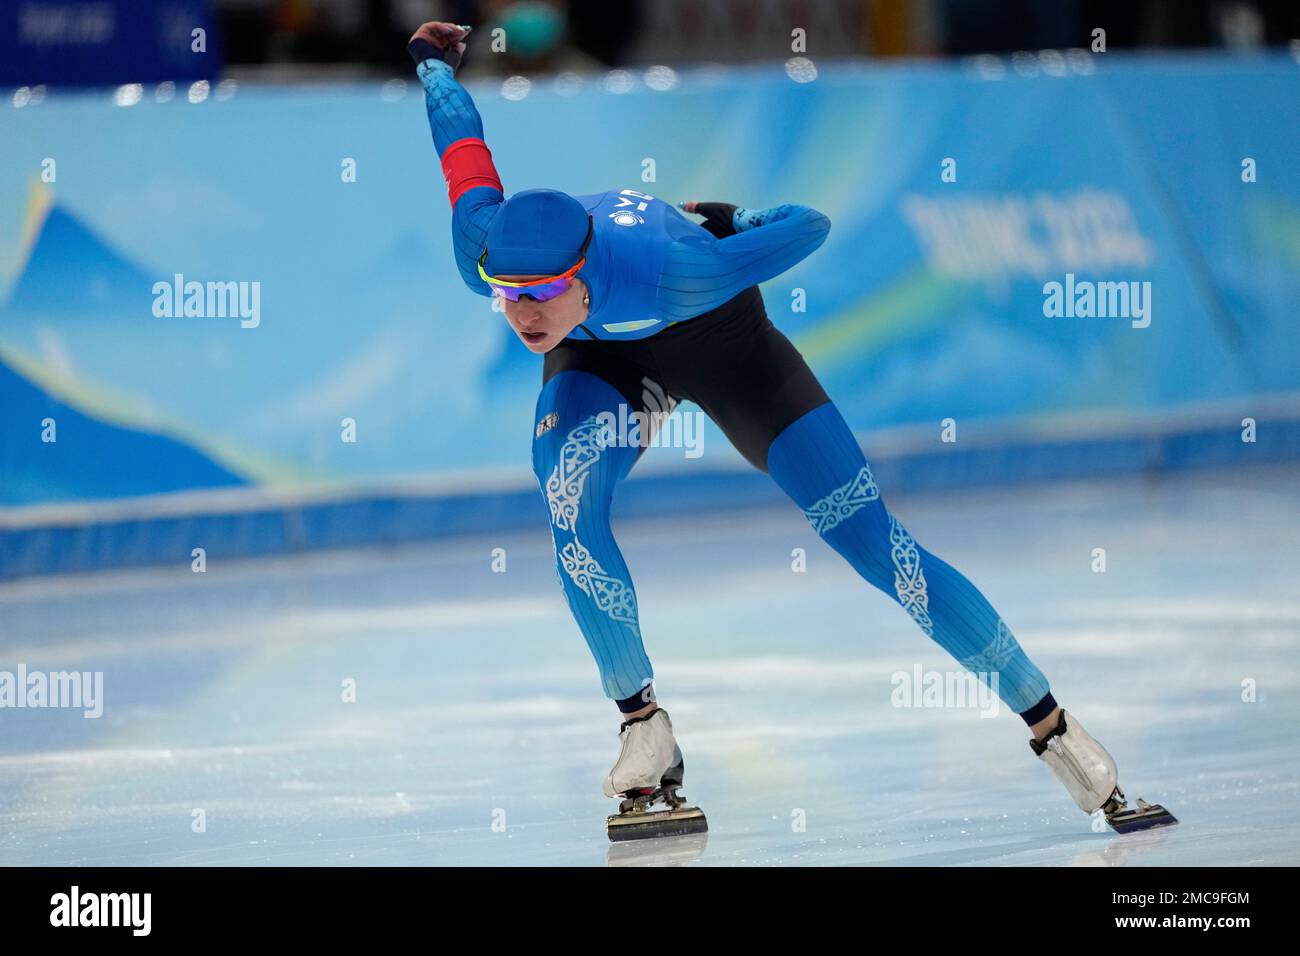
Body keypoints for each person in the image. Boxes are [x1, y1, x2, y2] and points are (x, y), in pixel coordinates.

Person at [407, 21, 1175, 834]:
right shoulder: (485, 251)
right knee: (568, 501)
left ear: (580, 275)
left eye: (538, 294)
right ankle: (643, 726)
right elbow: (463, 151)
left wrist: (727, 217)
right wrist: (433, 68)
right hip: (605, 365)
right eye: (506, 294)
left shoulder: (679, 268)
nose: (521, 314)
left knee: (876, 543)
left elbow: (808, 224)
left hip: (722, 344)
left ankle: (1054, 727)